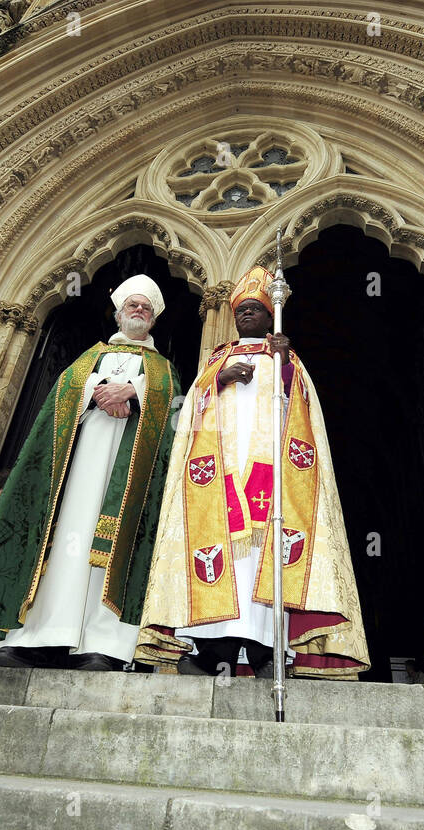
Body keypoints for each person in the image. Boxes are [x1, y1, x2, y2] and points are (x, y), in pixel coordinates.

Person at [136, 266, 370, 679]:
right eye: (241, 310)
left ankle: (266, 651)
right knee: (217, 555)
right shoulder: (216, 361)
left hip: (270, 481)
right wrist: (217, 381)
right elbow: (189, 413)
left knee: (266, 560)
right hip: (218, 476)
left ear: (269, 317)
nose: (247, 315)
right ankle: (212, 648)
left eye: (255, 310)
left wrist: (282, 366)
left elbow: (299, 414)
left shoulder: (288, 360)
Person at [0, 274, 180, 671]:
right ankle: (41, 636)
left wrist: (136, 394)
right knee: (65, 542)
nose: (138, 312)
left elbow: (175, 412)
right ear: (119, 314)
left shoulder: (163, 370)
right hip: (77, 471)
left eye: (145, 307)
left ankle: (104, 644)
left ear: (153, 320)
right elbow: (62, 395)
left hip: (126, 482)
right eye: (131, 306)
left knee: (109, 548)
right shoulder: (89, 358)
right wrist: (98, 389)